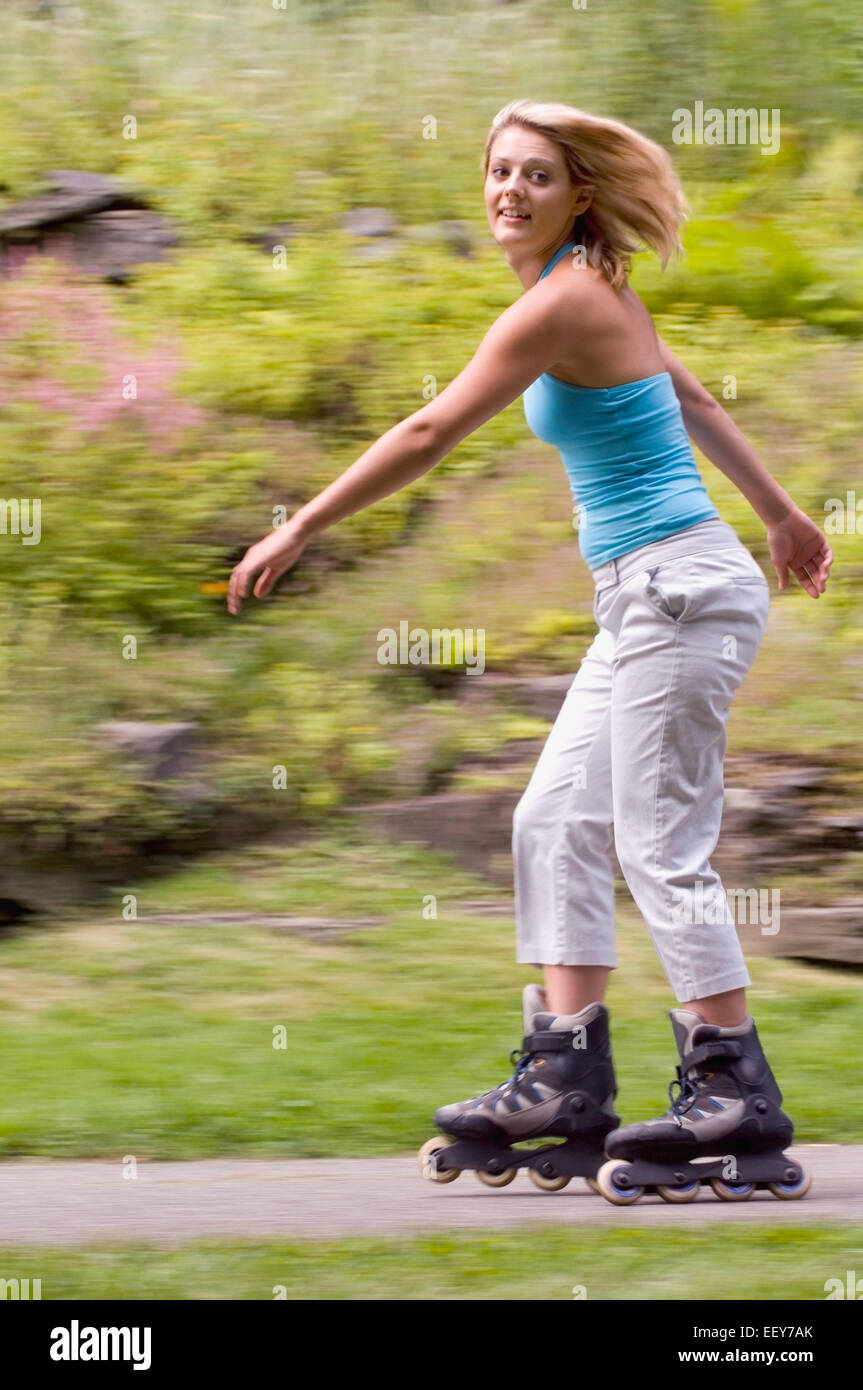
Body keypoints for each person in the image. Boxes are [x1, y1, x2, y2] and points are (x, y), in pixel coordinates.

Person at [228, 100, 832, 1200]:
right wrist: (782, 513)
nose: (508, 189)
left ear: (578, 196)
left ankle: (733, 1096)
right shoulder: (593, 291)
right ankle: (563, 1076)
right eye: (496, 170)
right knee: (551, 817)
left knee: (656, 844)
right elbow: (686, 391)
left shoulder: (561, 300)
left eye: (535, 175)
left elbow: (426, 431)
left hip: (676, 593)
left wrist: (301, 522)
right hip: (646, 599)